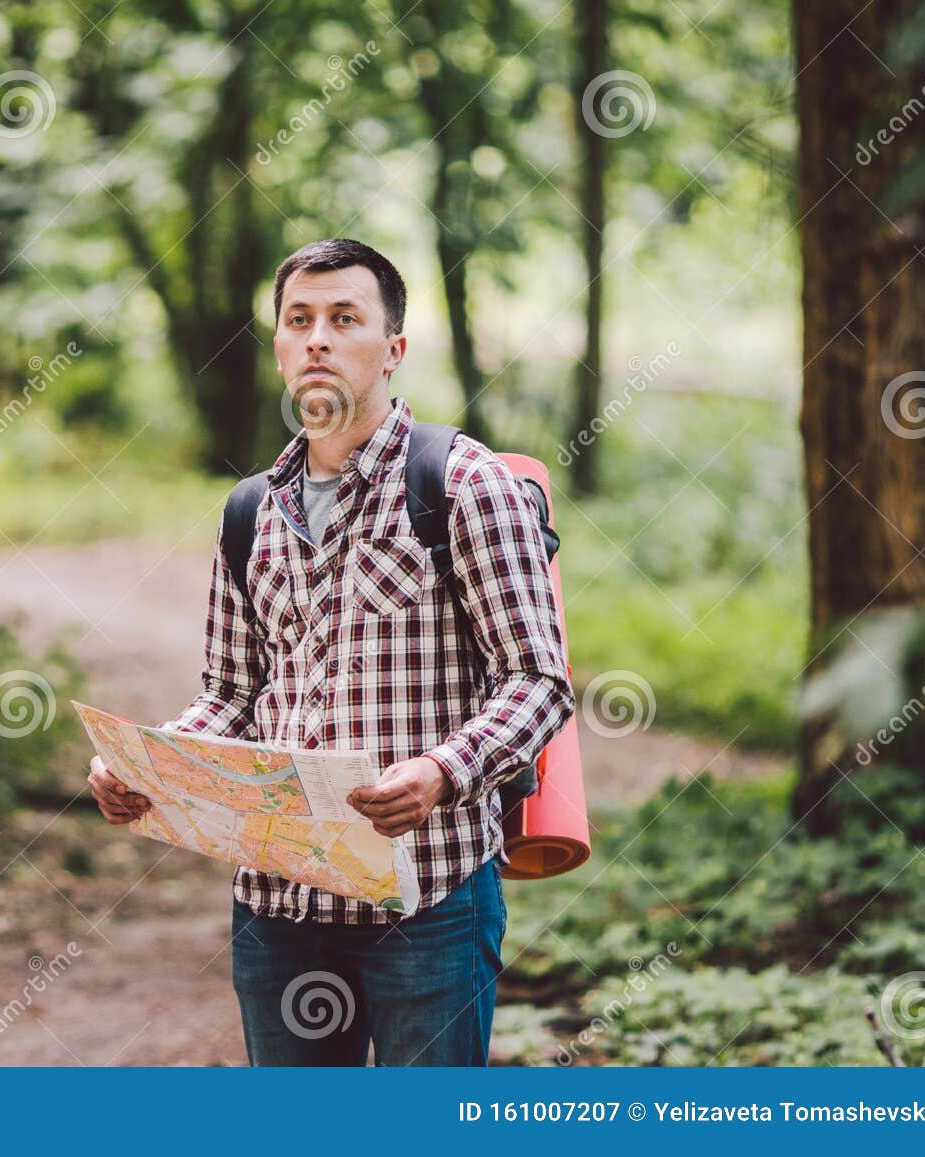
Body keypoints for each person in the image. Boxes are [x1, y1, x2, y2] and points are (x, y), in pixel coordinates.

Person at [88, 238, 573, 1066]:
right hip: (278, 908)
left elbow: (538, 680)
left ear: (393, 349)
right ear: (279, 346)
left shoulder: (465, 485)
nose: (317, 338)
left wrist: (442, 771)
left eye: (345, 318)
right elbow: (231, 693)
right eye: (299, 320)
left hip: (430, 900)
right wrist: (153, 763)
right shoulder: (250, 511)